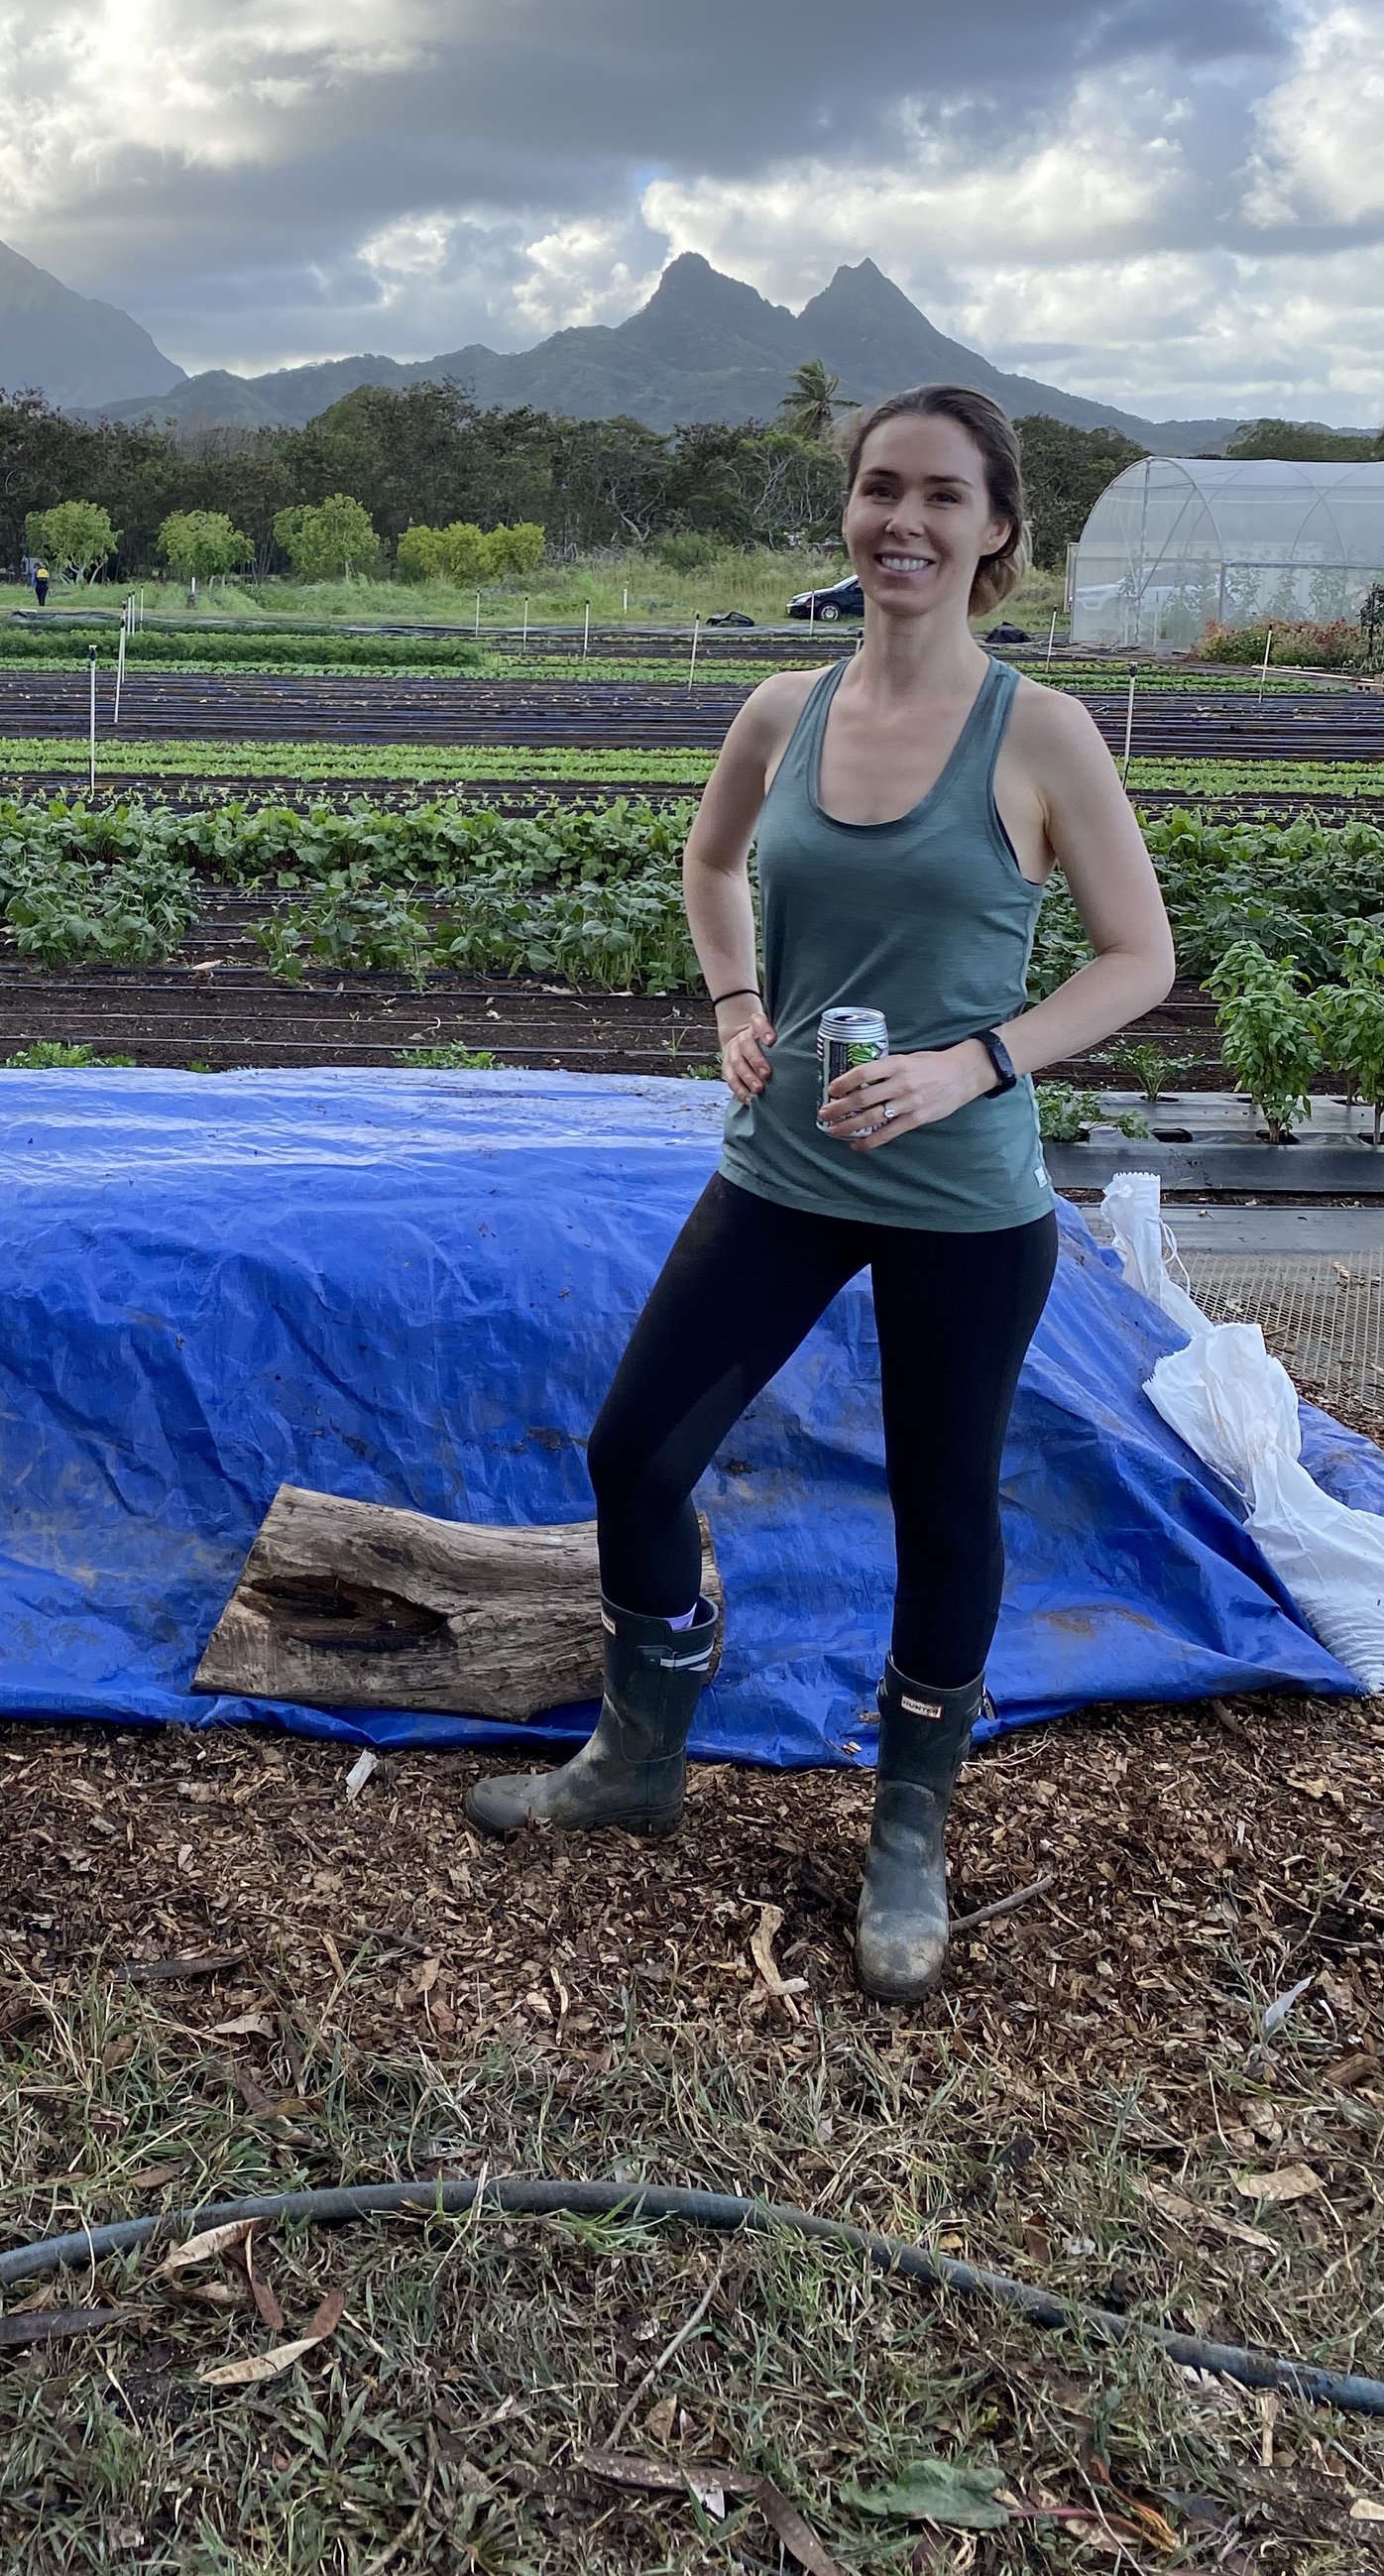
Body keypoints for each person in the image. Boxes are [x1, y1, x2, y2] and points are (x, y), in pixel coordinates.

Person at [467, 384, 1175, 2001]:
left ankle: (909, 1826)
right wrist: (732, 1003)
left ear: (998, 530)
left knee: (942, 1508)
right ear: (846, 512)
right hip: (784, 1166)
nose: (901, 523)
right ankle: (640, 1754)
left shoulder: (1040, 732)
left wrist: (972, 1062)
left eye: (941, 497)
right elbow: (711, 863)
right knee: (634, 1448)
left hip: (965, 1207)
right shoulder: (782, 709)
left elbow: (1141, 959)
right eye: (877, 490)